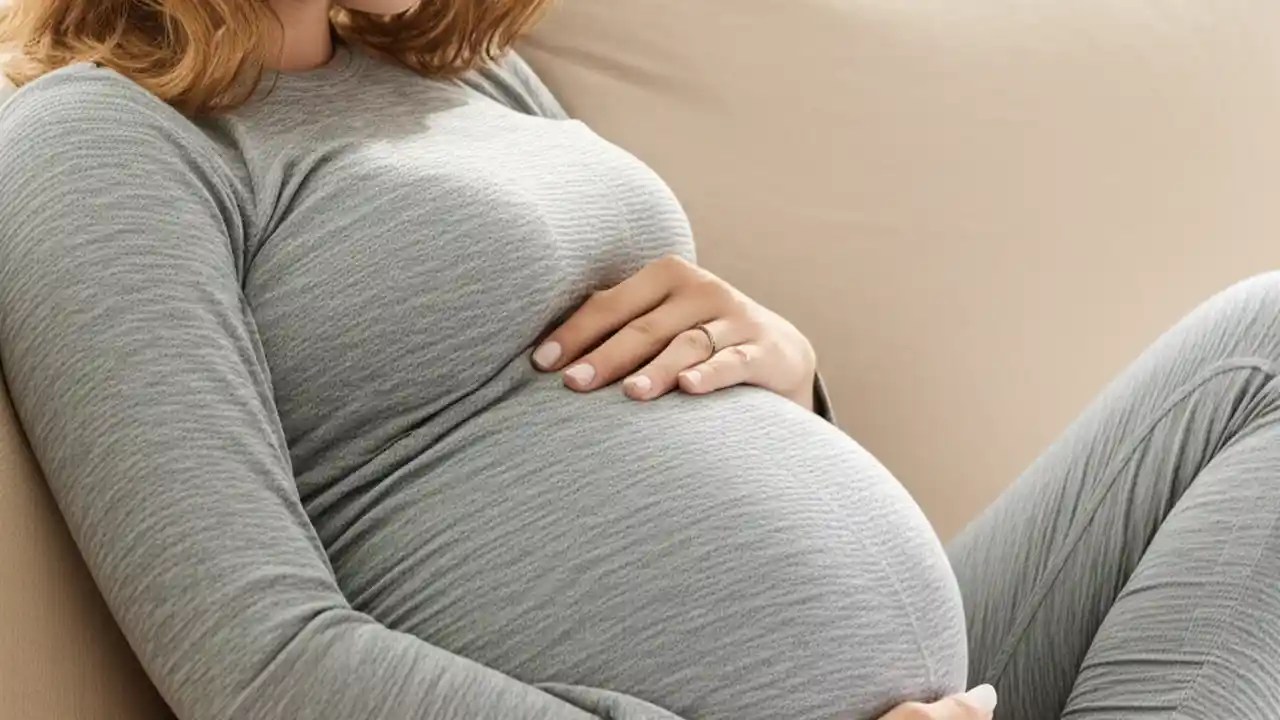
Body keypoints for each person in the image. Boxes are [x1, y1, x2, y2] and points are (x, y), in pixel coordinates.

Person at [0, 1, 1275, 718]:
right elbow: (255, 661)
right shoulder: (100, 140)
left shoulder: (469, 77)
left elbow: (623, 409)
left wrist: (784, 369)